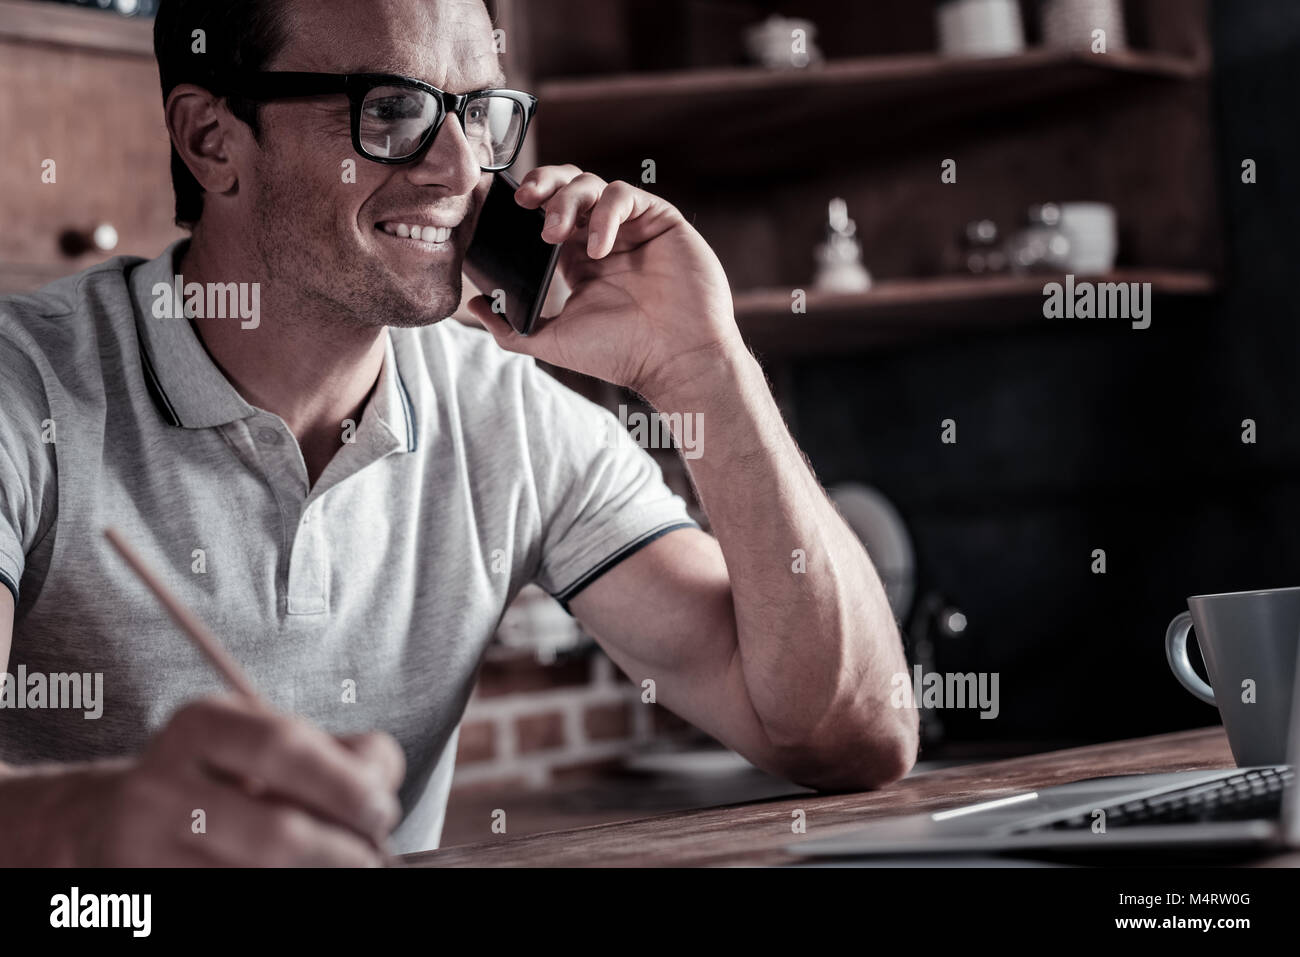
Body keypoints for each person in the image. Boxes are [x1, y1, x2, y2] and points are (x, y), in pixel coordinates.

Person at [0, 0, 915, 865]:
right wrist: (88, 829)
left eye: (480, 113)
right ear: (212, 140)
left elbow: (852, 733)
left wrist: (703, 366)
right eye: (392, 108)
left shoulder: (508, 411)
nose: (465, 171)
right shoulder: (25, 390)